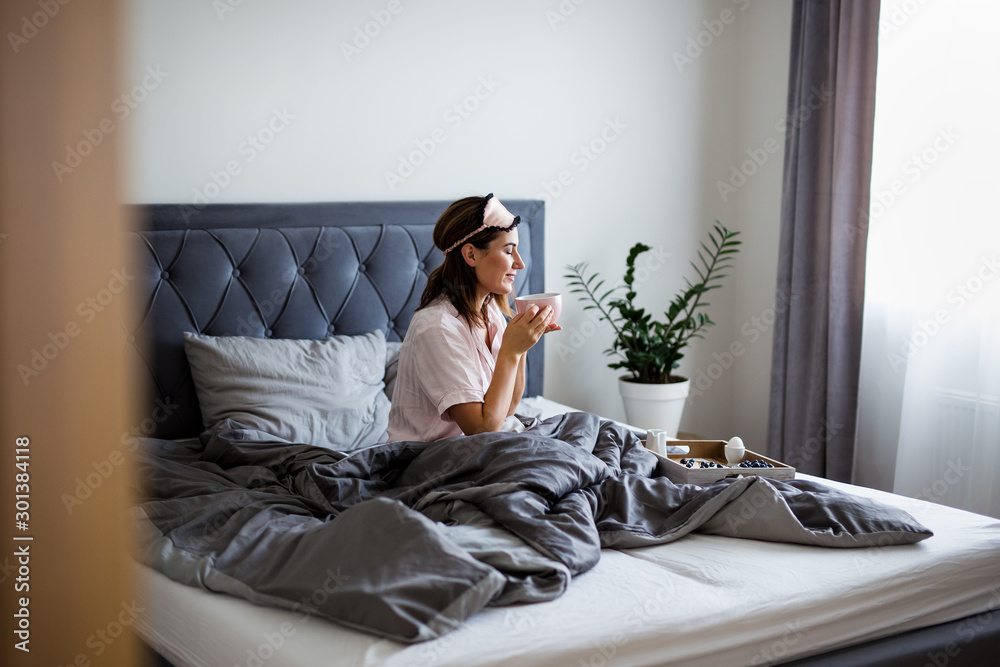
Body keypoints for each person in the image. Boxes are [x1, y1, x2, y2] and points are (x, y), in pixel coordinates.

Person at [386, 194, 560, 442]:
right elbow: (481, 430)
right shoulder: (437, 327)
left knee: (592, 430)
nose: (520, 263)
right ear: (471, 255)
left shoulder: (489, 312)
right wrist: (510, 351)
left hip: (473, 453)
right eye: (509, 251)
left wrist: (522, 345)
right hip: (430, 461)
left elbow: (506, 410)